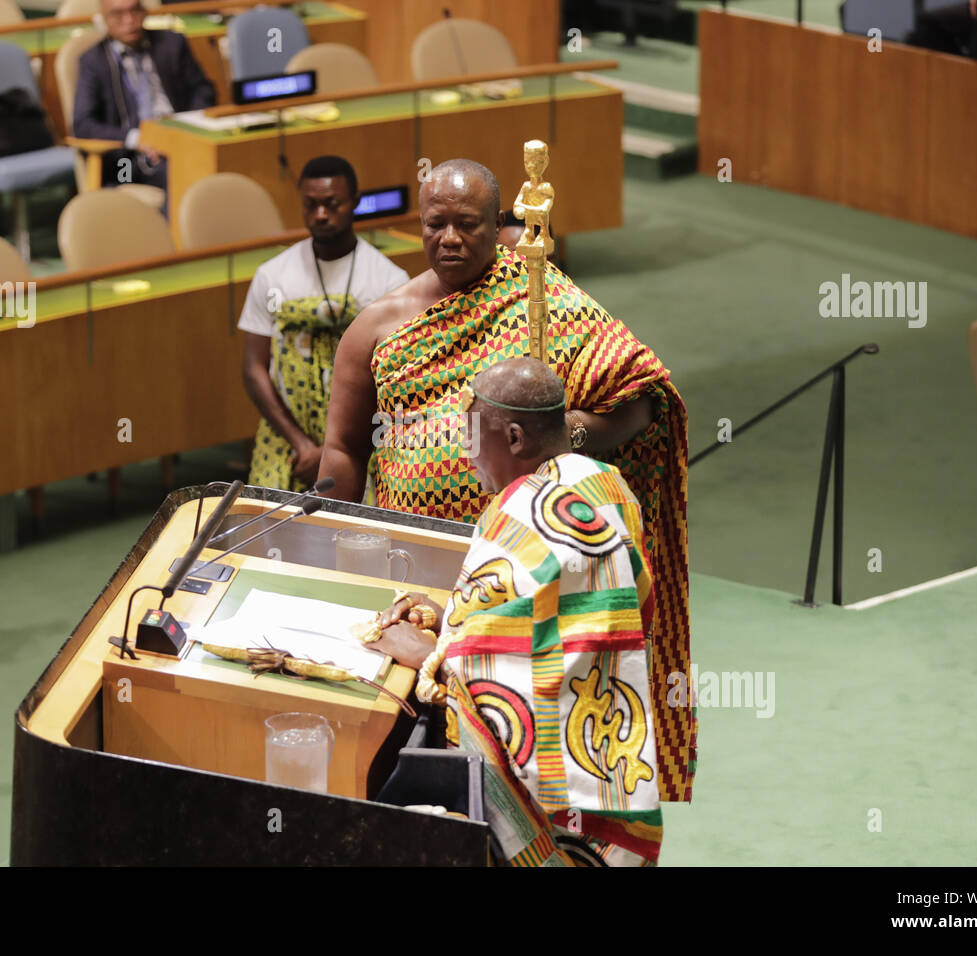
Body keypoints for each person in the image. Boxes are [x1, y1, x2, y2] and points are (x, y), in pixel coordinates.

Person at [319, 157, 694, 803]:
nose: (450, 240)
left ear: (500, 224)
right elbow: (343, 449)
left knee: (525, 713)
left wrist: (561, 434)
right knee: (420, 730)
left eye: (468, 225)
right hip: (422, 563)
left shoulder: (542, 293)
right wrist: (329, 543)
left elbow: (642, 397)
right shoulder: (379, 325)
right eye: (436, 224)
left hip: (528, 555)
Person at [367, 358, 665, 866]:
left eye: (471, 434)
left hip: (555, 786)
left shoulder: (525, 507)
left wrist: (432, 656)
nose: (466, 452)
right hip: (610, 736)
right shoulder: (606, 485)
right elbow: (552, 614)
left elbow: (512, 686)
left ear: (513, 438)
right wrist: (456, 618)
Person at [238, 156, 410, 491]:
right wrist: (303, 445)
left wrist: (339, 447)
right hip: (287, 441)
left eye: (332, 204)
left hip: (364, 440)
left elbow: (396, 376)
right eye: (311, 205)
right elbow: (253, 368)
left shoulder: (389, 280)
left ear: (355, 203)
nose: (321, 215)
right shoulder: (272, 275)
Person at [72, 0, 217, 192]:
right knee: (177, 173)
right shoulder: (94, 61)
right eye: (118, 15)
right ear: (104, 19)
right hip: (129, 159)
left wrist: (188, 125)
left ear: (145, 11)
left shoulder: (172, 43)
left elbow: (203, 90)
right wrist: (135, 139)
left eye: (135, 11)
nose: (129, 20)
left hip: (182, 138)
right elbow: (83, 125)